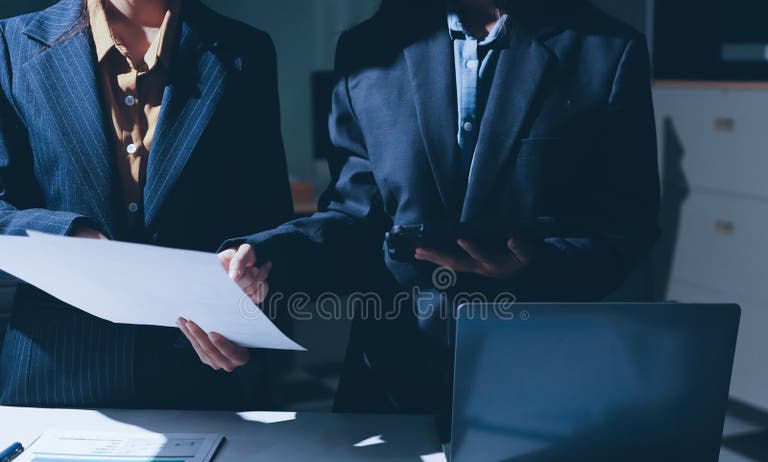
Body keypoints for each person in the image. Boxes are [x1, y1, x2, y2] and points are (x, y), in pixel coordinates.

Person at [183, 0, 661, 419]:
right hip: (390, 380)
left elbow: (626, 225)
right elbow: (354, 214)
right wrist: (266, 258)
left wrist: (536, 263)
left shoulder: (608, 50)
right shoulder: (369, 48)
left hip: (540, 378)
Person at [0, 0, 292, 408]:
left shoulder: (245, 50)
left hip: (200, 376)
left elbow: (269, 221)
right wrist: (72, 240)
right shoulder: (11, 44)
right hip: (54, 378)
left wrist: (247, 283)